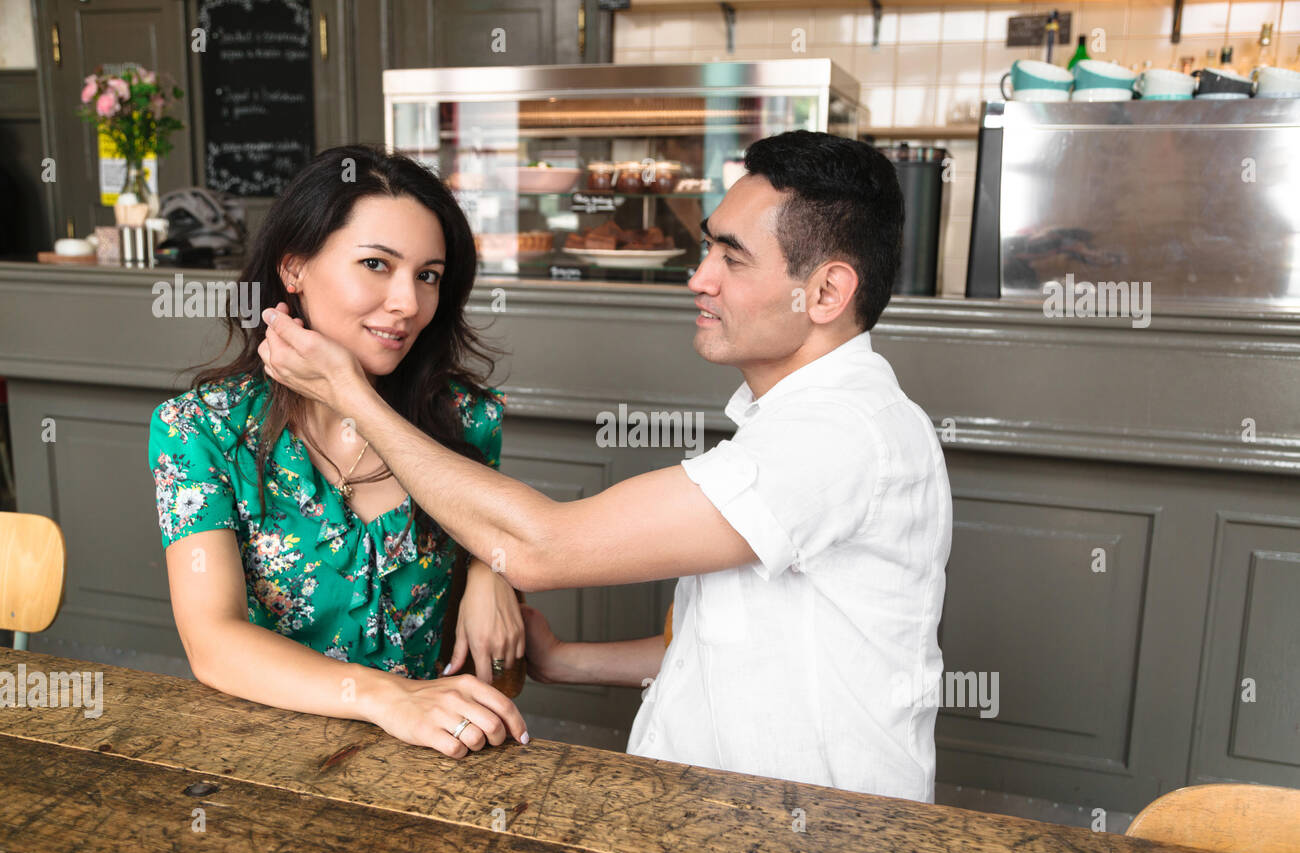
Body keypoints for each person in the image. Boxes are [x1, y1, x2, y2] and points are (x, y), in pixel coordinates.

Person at [258, 131, 952, 802]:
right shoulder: (794, 424)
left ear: (827, 294)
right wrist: (563, 659)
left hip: (810, 834)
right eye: (707, 246)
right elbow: (731, 645)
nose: (698, 278)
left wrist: (350, 395)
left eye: (732, 260)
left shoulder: (837, 436)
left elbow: (540, 548)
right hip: (716, 814)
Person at [148, 145, 528, 757]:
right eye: (377, 263)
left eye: (427, 275)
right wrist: (388, 698)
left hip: (433, 758)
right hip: (269, 752)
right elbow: (212, 640)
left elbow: (507, 530)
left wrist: (493, 569)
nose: (408, 303)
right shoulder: (200, 430)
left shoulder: (465, 416)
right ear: (293, 270)